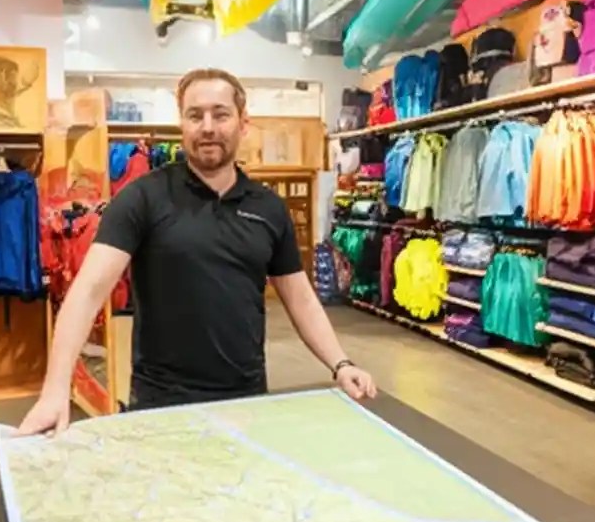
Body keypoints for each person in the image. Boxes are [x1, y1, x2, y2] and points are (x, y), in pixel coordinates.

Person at [19, 68, 377, 434]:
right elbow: (88, 291)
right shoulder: (142, 198)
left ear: (243, 123)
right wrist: (55, 390)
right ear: (183, 125)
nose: (207, 126)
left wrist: (341, 363)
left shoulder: (268, 208)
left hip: (248, 400)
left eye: (220, 114)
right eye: (195, 115)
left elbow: (300, 297)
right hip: (161, 406)